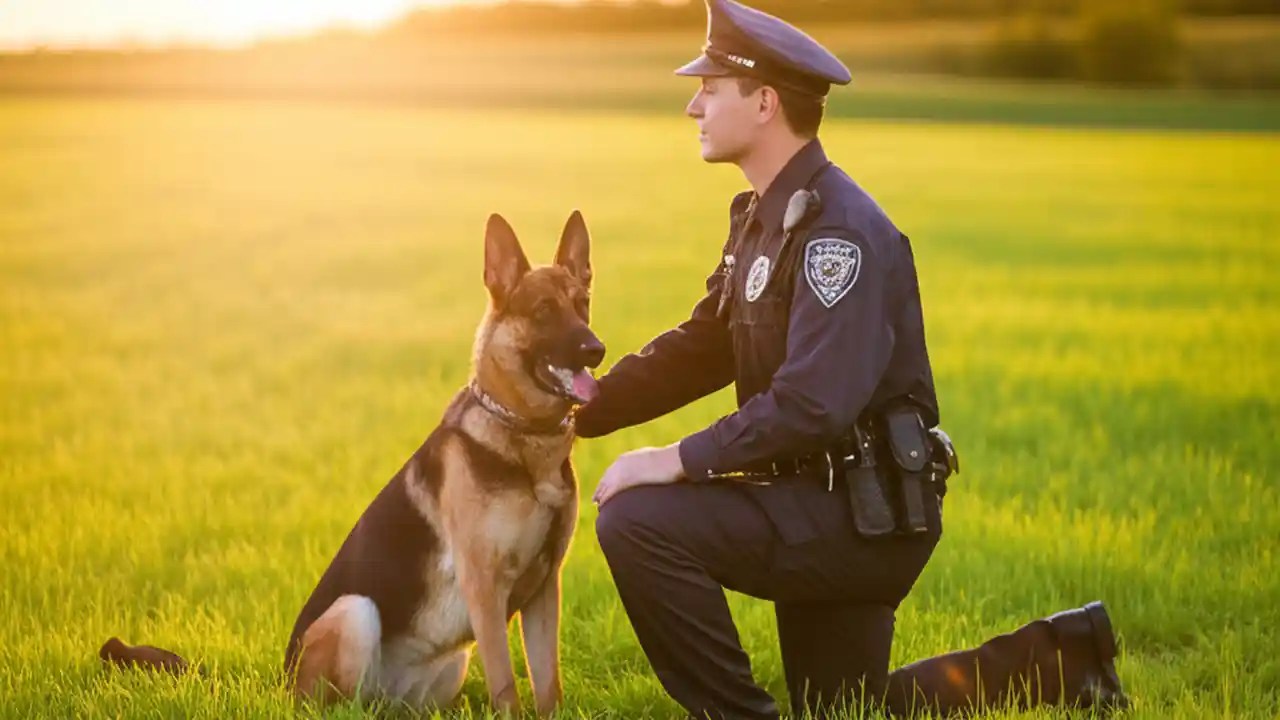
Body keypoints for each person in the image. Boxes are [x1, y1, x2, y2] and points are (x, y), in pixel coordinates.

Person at [573, 1, 1129, 718]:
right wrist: (581, 405)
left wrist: (670, 459)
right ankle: (1069, 658)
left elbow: (812, 401)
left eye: (710, 88)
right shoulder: (765, 217)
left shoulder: (841, 233)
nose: (692, 105)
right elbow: (704, 346)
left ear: (765, 102)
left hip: (858, 518)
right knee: (844, 708)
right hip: (821, 506)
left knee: (636, 520)